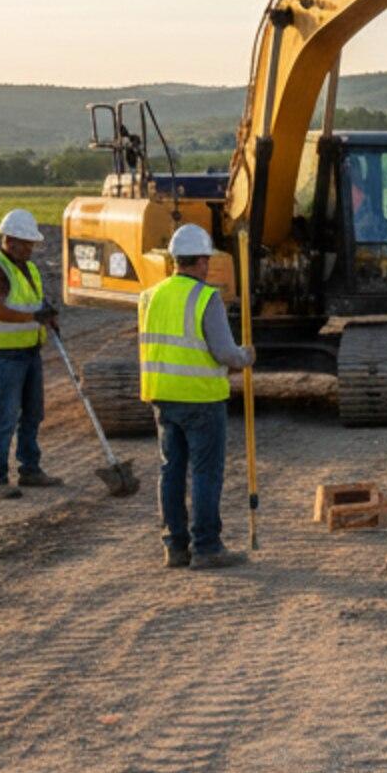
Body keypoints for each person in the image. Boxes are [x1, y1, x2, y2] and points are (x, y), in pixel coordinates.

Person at [138, 222, 254, 569]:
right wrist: (246, 356)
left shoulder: (149, 296)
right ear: (202, 261)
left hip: (162, 395)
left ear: (174, 260)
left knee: (170, 471)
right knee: (205, 473)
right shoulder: (206, 297)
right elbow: (225, 353)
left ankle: (175, 546)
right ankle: (206, 547)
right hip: (200, 398)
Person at [0, 207, 62, 500]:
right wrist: (33, 317)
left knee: (33, 413)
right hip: (5, 354)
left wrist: (46, 315)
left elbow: (33, 302)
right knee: (4, 415)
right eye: (25, 243)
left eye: (31, 243)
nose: (30, 248)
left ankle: (30, 468)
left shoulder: (30, 268)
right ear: (10, 240)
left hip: (29, 351)